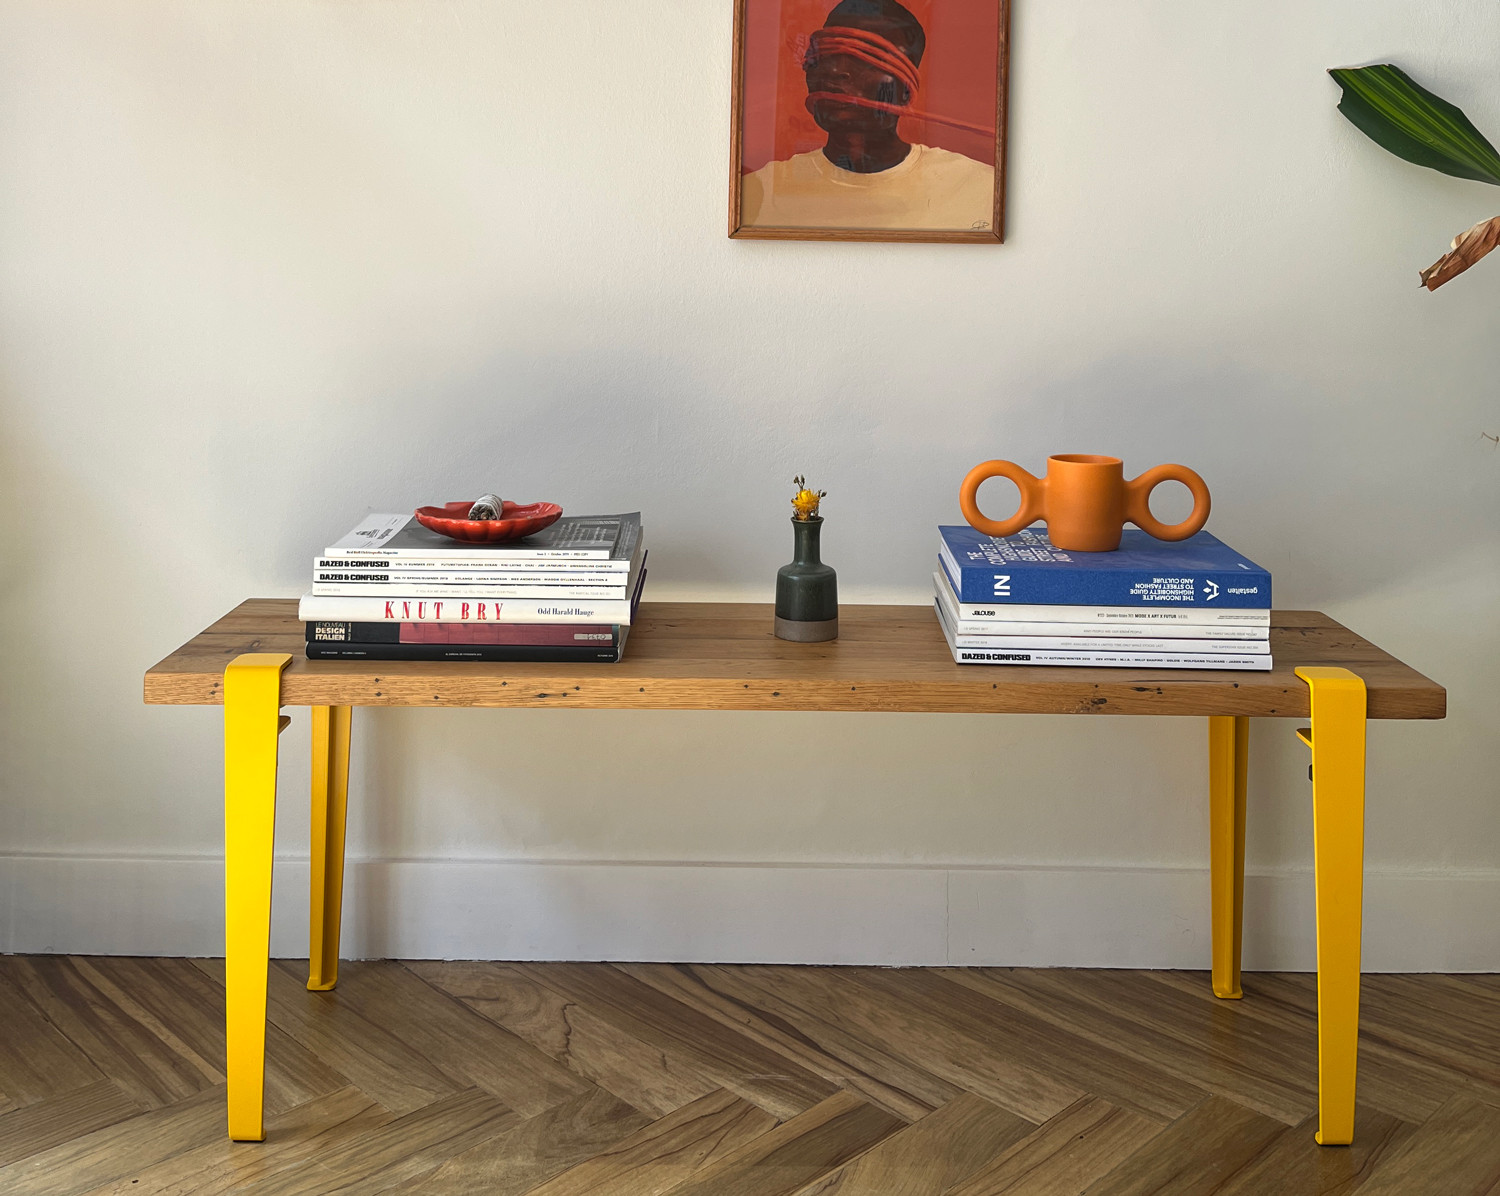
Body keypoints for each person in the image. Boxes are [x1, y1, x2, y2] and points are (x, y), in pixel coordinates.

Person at [741, 0, 994, 231]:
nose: (835, 70)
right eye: (825, 56)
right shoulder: (756, 195)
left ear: (905, 93)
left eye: (865, 59)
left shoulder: (981, 190)